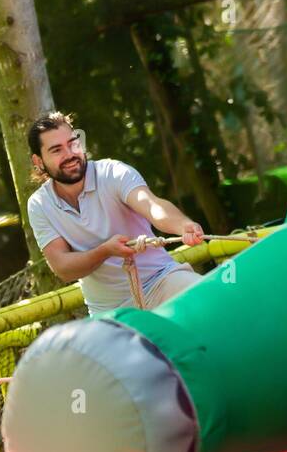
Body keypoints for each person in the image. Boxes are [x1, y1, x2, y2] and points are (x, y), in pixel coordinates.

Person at [26, 111, 206, 314]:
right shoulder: (39, 205)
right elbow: (63, 268)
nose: (70, 154)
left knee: (211, 302)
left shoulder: (112, 172)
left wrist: (183, 225)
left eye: (72, 143)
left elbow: (152, 206)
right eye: (56, 150)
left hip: (163, 282)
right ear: (38, 161)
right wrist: (105, 251)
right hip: (108, 311)